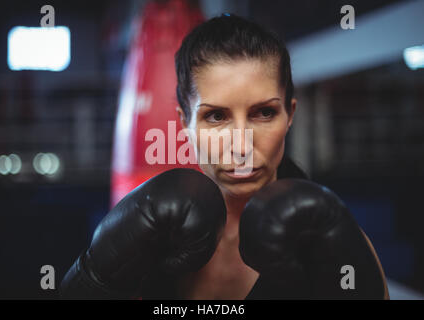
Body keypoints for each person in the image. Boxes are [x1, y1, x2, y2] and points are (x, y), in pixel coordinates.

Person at [60, 13, 389, 300]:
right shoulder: (151, 231)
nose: (241, 146)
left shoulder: (330, 238)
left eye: (263, 113)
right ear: (183, 122)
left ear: (290, 114)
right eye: (216, 116)